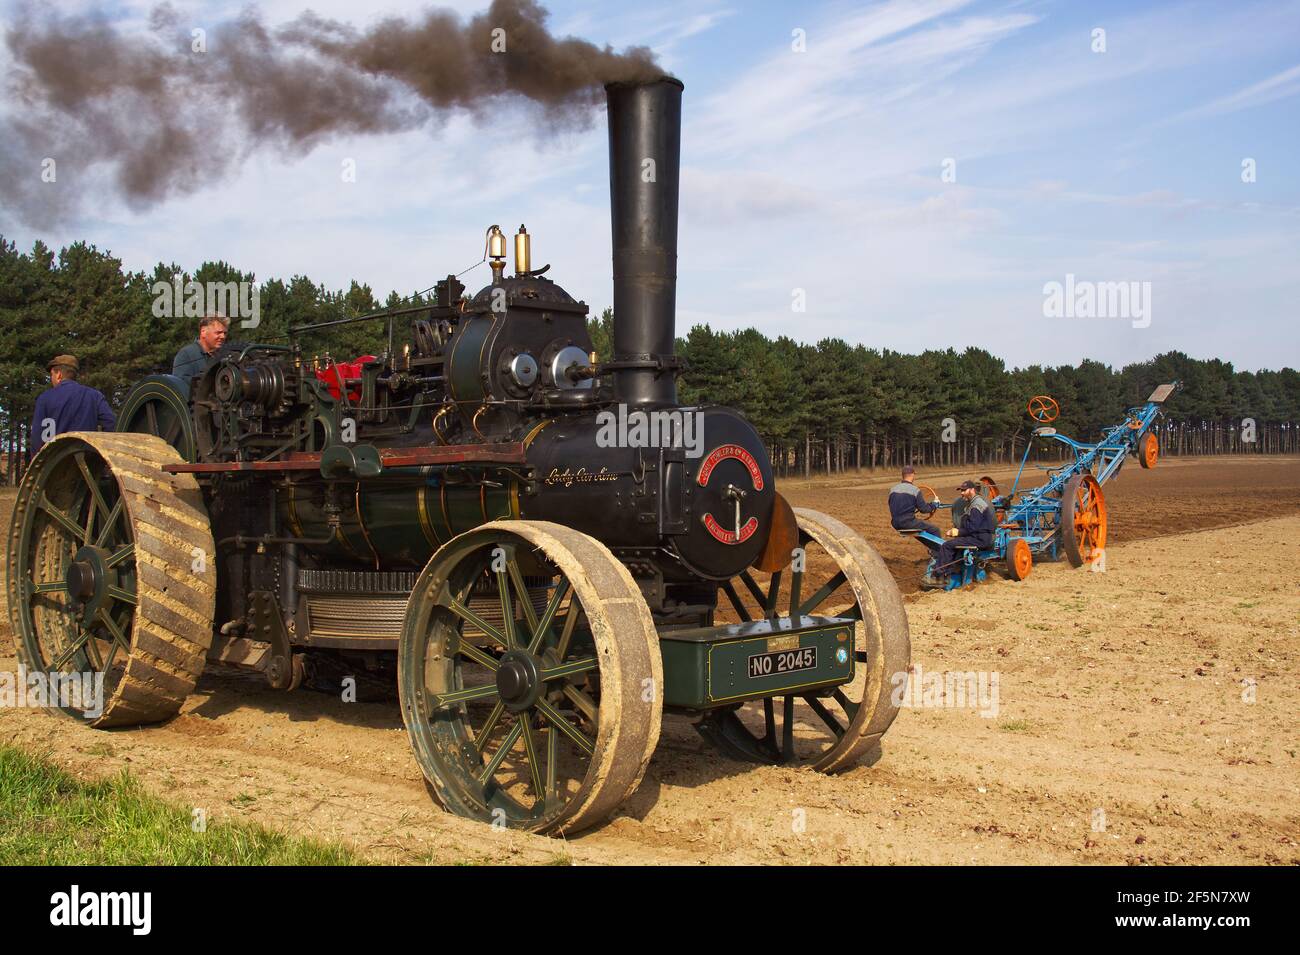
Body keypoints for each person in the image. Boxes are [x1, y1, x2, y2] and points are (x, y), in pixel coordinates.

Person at [30, 355, 116, 454]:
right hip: (88, 462)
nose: (51, 379)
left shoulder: (45, 398)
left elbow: (39, 437)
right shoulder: (94, 396)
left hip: (57, 462)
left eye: (51, 375)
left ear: (58, 375)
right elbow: (111, 423)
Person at [933, 479, 997, 582]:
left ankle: (938, 575)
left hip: (981, 538)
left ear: (972, 490)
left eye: (964, 490)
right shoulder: (974, 502)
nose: (962, 493)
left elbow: (973, 527)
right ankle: (951, 571)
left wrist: (958, 532)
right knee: (954, 544)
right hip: (979, 536)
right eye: (961, 490)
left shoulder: (976, 505)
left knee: (947, 545)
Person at [888, 466, 941, 546]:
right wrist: (934, 505)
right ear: (912, 475)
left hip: (895, 523)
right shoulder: (915, 490)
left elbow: (893, 505)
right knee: (935, 530)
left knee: (922, 533)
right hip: (908, 523)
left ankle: (933, 550)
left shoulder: (893, 489)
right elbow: (924, 509)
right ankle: (938, 555)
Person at [172, 314, 230, 381]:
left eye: (225, 333)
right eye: (218, 332)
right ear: (203, 332)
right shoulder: (186, 354)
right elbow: (180, 385)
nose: (223, 336)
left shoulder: (225, 356)